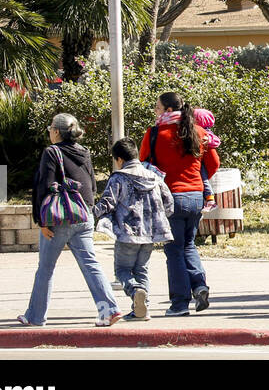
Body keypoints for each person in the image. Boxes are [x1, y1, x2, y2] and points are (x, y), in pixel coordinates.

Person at [20, 114, 122, 327]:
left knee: (45, 268)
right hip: (83, 215)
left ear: (57, 131)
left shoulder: (52, 151)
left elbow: (45, 186)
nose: (49, 131)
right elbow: (92, 185)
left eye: (50, 128)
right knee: (91, 264)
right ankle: (109, 310)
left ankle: (35, 317)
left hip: (58, 219)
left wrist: (41, 220)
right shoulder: (84, 152)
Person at [141, 92, 218, 316]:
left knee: (173, 249)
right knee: (188, 244)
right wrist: (195, 179)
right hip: (196, 197)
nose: (155, 110)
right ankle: (199, 285)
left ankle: (179, 303)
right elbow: (213, 163)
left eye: (157, 107)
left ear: (167, 110)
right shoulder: (199, 131)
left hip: (169, 197)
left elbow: (144, 162)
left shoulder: (155, 134)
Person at [94, 139, 174, 321]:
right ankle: (142, 310)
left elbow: (108, 202)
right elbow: (169, 203)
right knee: (142, 269)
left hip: (127, 232)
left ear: (119, 159)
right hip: (150, 233)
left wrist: (92, 214)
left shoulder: (119, 177)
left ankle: (135, 290)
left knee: (122, 269)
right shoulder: (154, 176)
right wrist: (160, 219)